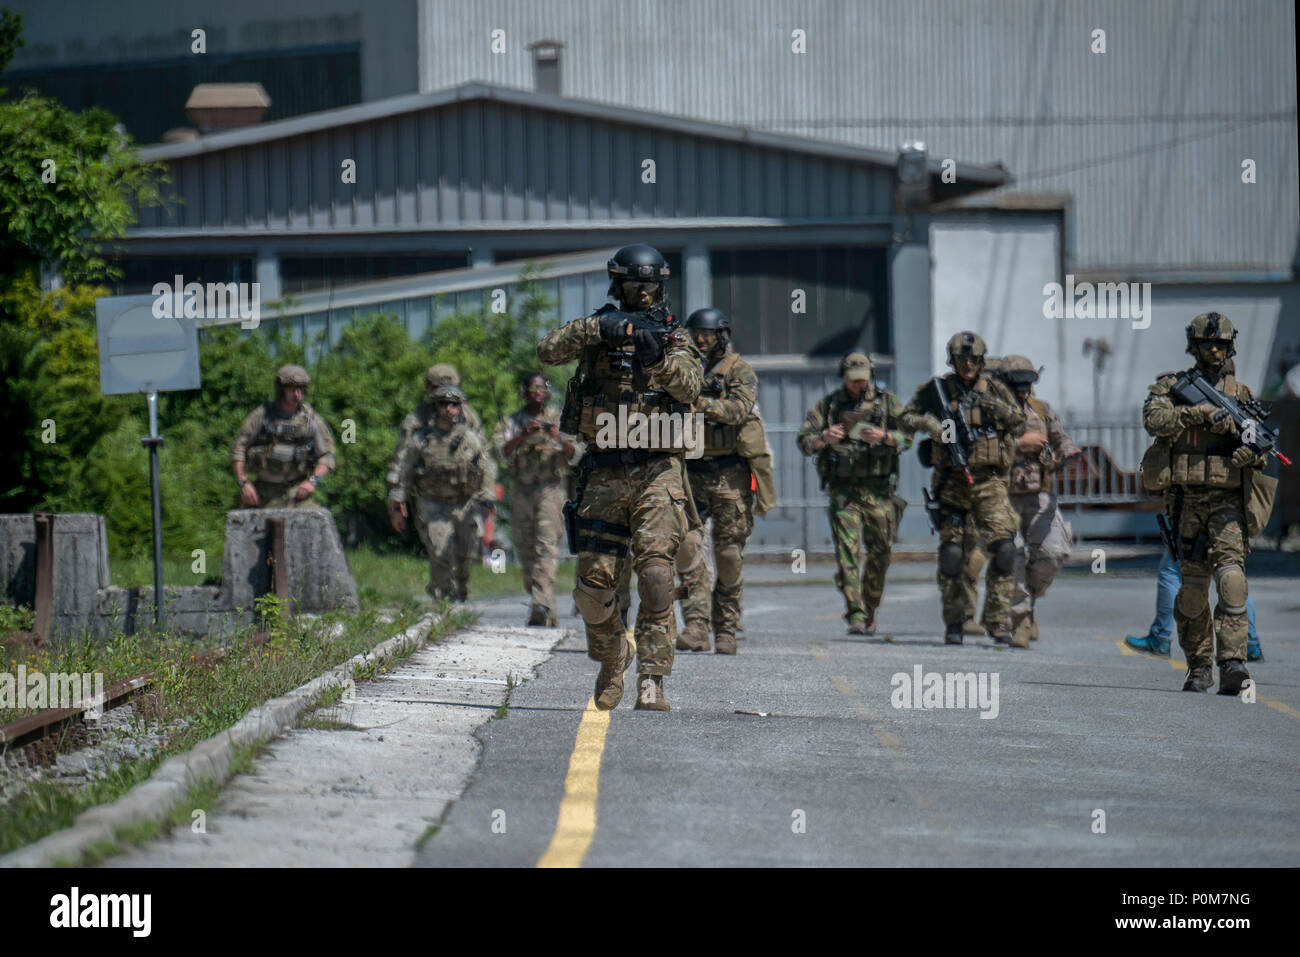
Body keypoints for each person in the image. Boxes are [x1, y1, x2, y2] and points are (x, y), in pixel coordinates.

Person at [538, 243, 702, 712]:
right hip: (604, 469)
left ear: (661, 286)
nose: (642, 291)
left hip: (657, 468)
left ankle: (652, 679)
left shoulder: (675, 337)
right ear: (618, 282)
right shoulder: (597, 330)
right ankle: (613, 658)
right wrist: (597, 328)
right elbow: (547, 350)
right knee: (594, 586)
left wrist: (659, 360)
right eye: (633, 283)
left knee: (655, 573)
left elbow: (691, 385)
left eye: (649, 284)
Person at [1139, 312, 1274, 693]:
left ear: (1229, 347)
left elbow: (1257, 446)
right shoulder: (1172, 386)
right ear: (1193, 346)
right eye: (1205, 344)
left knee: (1231, 578)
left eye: (1219, 344)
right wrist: (1193, 413)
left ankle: (1232, 663)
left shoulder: (1241, 396)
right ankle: (1199, 666)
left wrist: (1248, 452)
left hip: (1227, 502)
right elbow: (1153, 419)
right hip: (1185, 501)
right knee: (1193, 587)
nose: (1213, 350)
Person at [900, 332, 1027, 645]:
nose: (967, 364)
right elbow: (903, 417)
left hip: (989, 482)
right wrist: (930, 425)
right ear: (952, 360)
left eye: (972, 359)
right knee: (953, 555)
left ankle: (998, 621)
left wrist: (997, 408)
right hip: (952, 482)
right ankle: (956, 621)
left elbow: (1020, 424)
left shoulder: (996, 388)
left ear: (981, 360)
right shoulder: (938, 390)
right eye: (960, 359)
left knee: (1005, 550)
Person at [797, 352, 911, 635]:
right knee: (847, 553)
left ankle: (870, 606)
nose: (858, 386)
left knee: (880, 553)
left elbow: (908, 434)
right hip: (843, 492)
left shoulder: (887, 402)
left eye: (863, 380)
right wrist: (824, 438)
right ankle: (856, 613)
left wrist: (884, 437)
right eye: (853, 381)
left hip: (879, 491)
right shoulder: (830, 405)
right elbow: (803, 440)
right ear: (844, 378)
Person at [675, 308, 760, 655]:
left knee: (728, 553)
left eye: (707, 336)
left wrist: (699, 404)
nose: (700, 341)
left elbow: (739, 410)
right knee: (687, 548)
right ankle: (696, 625)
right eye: (695, 335)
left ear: (722, 336)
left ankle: (726, 627)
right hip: (689, 470)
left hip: (729, 473)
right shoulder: (682, 368)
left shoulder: (738, 369)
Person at [997, 355, 1082, 646]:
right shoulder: (991, 411)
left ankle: (1028, 601)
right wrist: (1020, 444)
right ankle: (1020, 621)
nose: (1022, 391)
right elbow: (982, 449)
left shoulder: (1041, 409)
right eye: (1016, 385)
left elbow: (1059, 437)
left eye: (1027, 385)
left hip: (1039, 493)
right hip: (1003, 494)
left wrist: (1069, 451)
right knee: (1014, 555)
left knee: (1053, 551)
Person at [393, 385, 497, 602]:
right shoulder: (422, 439)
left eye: (454, 404)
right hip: (433, 504)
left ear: (460, 408)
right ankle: (444, 598)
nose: (449, 409)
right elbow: (405, 472)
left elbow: (487, 467)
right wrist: (397, 502)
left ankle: (462, 588)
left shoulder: (470, 438)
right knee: (440, 550)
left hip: (464, 503)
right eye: (443, 404)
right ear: (435, 407)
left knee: (466, 553)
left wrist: (487, 495)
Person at [492, 372, 579, 627]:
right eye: (531, 387)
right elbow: (500, 452)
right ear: (524, 391)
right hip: (522, 491)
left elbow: (576, 454)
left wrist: (557, 437)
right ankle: (544, 605)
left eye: (541, 387)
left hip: (551, 490)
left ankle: (541, 603)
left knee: (545, 546)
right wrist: (522, 435)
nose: (536, 392)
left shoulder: (559, 418)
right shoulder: (513, 421)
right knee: (525, 550)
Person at [386, 364, 482, 530]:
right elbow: (402, 461)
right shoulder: (418, 418)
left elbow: (483, 457)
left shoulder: (468, 417)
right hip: (431, 497)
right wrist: (397, 503)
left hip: (464, 498)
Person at [1125, 547, 1263, 660]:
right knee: (1230, 578)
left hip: (1199, 524)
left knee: (1172, 571)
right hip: (1229, 527)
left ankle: (1161, 637)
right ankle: (1250, 644)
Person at [231, 364, 336, 509]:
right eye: (292, 389)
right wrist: (243, 483)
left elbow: (327, 456)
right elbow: (238, 449)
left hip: (296, 492)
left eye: (301, 389)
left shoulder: (310, 419)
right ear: (282, 389)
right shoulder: (263, 416)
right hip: (262, 492)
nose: (297, 394)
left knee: (317, 523)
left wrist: (312, 481)